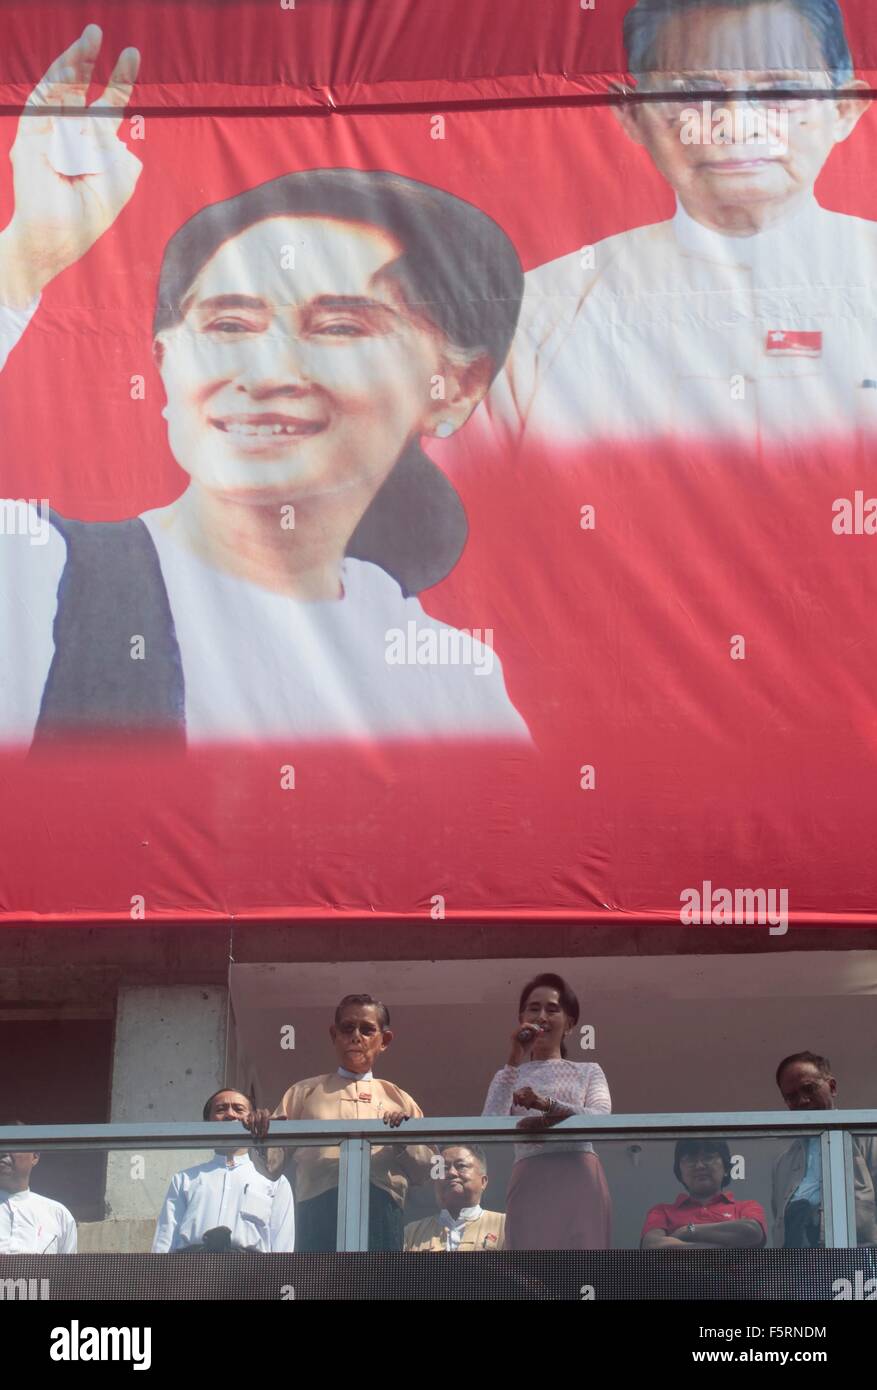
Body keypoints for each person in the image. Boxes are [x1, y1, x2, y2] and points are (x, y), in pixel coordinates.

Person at [0, 25, 529, 748]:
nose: (266, 374)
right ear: (163, 364)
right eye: (227, 325)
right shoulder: (34, 577)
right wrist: (27, 257)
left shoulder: (449, 683)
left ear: (456, 385)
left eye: (340, 327)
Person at [480, 0, 876, 450]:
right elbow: (499, 501)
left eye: (780, 92)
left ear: (844, 111)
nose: (734, 126)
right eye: (693, 95)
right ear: (630, 115)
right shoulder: (539, 316)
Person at [251, 994, 431, 1252]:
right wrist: (260, 1133)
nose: (356, 1036)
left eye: (367, 1029)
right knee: (321, 1290)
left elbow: (424, 1172)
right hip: (318, 1209)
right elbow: (272, 1166)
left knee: (378, 1292)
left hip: (381, 1211)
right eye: (348, 1028)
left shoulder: (399, 1099)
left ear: (385, 1040)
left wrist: (402, 1140)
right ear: (334, 1035)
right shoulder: (304, 1092)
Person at [481, 972, 612, 1250]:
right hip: (531, 1176)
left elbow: (601, 1119)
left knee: (583, 1265)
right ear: (521, 1020)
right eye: (533, 1008)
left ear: (569, 1024)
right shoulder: (508, 1074)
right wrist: (514, 1058)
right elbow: (489, 1125)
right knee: (531, 1270)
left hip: (580, 1177)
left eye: (553, 1009)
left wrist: (546, 1106)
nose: (542, 1016)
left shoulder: (588, 1071)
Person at [151, 1088, 295, 1253]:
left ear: (252, 1119)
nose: (230, 1115)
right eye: (221, 1109)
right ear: (208, 1123)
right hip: (192, 1272)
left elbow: (283, 1247)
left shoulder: (275, 1182)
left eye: (239, 1109)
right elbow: (163, 1243)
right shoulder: (185, 1179)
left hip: (250, 1274)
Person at [773, 1051, 877, 1248]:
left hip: (857, 1263)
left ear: (832, 1087)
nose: (802, 1101)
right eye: (791, 1096)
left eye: (809, 1089)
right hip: (797, 1266)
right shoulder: (783, 1161)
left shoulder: (868, 1138)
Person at [641, 1138, 766, 1248]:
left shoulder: (746, 1207)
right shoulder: (662, 1211)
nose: (699, 1166)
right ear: (680, 1173)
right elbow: (653, 1246)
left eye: (708, 1157)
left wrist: (688, 1231)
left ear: (726, 1168)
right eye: (690, 1159)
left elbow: (752, 1232)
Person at [404, 1143, 506, 1251]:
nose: (451, 1173)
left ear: (483, 1181)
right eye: (444, 1168)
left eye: (461, 1166)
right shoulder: (411, 1234)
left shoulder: (506, 1226)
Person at [0, 1120, 77, 1253]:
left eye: (12, 1144)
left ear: (35, 1156)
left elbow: (68, 1273)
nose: (3, 1152)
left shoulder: (58, 1215)